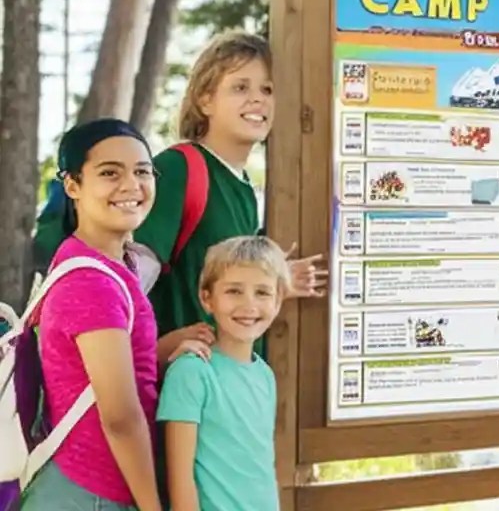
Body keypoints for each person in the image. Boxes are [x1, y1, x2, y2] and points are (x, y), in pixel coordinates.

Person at [131, 32, 325, 364]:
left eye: (268, 90)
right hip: (185, 391)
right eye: (240, 87)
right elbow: (128, 283)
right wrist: (158, 351)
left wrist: (278, 281)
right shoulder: (178, 168)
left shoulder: (249, 189)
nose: (258, 99)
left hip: (232, 387)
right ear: (205, 100)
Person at [19, 120, 164, 510]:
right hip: (92, 493)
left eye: (142, 171)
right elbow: (119, 416)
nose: (131, 185)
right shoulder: (90, 282)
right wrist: (153, 505)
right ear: (72, 185)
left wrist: (173, 347)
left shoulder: (102, 263)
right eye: (109, 173)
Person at [158, 236, 289, 511]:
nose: (249, 305)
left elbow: (261, 469)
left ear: (278, 302)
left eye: (262, 292)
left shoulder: (264, 375)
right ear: (207, 298)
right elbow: (180, 482)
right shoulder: (191, 371)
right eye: (234, 291)